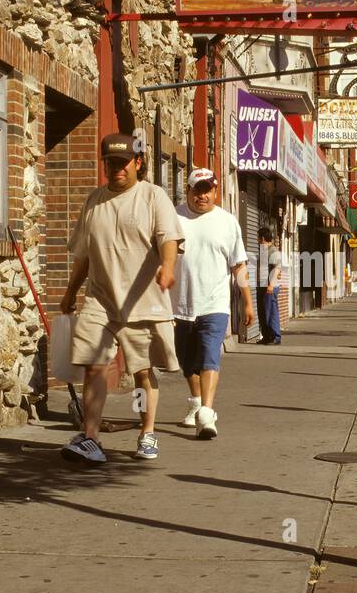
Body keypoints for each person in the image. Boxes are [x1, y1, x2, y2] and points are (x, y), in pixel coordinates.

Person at [60, 133, 184, 466]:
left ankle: (147, 432)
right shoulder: (94, 201)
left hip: (142, 299)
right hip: (100, 300)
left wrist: (168, 268)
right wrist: (71, 292)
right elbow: (84, 255)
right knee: (94, 365)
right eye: (110, 163)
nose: (116, 169)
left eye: (122, 163)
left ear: (138, 163)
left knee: (142, 371)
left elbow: (168, 238)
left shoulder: (153, 196)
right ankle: (91, 438)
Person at [173, 168, 254, 439]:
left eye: (207, 189)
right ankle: (196, 402)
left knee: (209, 356)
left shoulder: (227, 222)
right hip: (180, 304)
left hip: (215, 304)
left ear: (216, 191)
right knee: (187, 361)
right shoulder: (174, 217)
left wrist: (247, 302)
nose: (202, 195)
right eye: (197, 189)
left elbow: (238, 265)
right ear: (188, 191)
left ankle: (206, 414)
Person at [256, 225, 283, 345]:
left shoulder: (273, 252)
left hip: (269, 287)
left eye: (258, 238)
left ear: (262, 238)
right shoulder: (264, 251)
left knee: (270, 312)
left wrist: (271, 285)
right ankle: (267, 336)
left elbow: (276, 269)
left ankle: (274, 337)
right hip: (262, 286)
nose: (257, 240)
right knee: (263, 312)